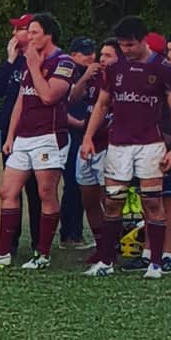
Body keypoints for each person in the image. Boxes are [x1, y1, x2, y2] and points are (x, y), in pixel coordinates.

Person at [81, 17, 171, 279]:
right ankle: (106, 261)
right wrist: (88, 137)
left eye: (130, 45)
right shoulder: (115, 68)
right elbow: (103, 104)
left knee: (152, 201)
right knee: (112, 201)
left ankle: (155, 263)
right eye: (122, 45)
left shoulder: (164, 69)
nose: (125, 50)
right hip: (118, 145)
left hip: (150, 145)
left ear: (143, 40)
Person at [0, 14, 76, 270]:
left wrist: (34, 66)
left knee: (45, 193)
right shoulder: (27, 61)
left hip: (48, 137)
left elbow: (49, 96)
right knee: (7, 191)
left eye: (34, 32)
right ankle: (2, 251)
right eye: (29, 32)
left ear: (48, 35)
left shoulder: (63, 62)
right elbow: (21, 101)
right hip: (23, 137)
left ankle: (42, 253)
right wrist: (11, 135)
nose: (29, 37)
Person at [0, 13, 41, 257]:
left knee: (37, 190)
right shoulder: (15, 61)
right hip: (11, 134)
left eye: (18, 29)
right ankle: (10, 240)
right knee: (11, 189)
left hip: (36, 132)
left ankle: (39, 242)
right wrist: (9, 60)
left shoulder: (44, 59)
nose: (13, 34)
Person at [68, 39, 119, 265]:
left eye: (108, 55)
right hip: (87, 144)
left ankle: (111, 247)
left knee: (109, 199)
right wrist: (85, 77)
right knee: (88, 197)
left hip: (109, 145)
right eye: (102, 55)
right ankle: (100, 245)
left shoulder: (122, 80)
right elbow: (72, 99)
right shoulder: (94, 77)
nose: (101, 59)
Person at [60, 36, 97, 248]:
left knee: (86, 184)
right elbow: (63, 104)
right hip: (72, 133)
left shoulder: (95, 74)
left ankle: (77, 232)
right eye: (85, 53)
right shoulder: (67, 72)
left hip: (88, 134)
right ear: (73, 55)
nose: (91, 57)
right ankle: (69, 233)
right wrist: (80, 124)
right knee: (73, 184)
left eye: (93, 52)